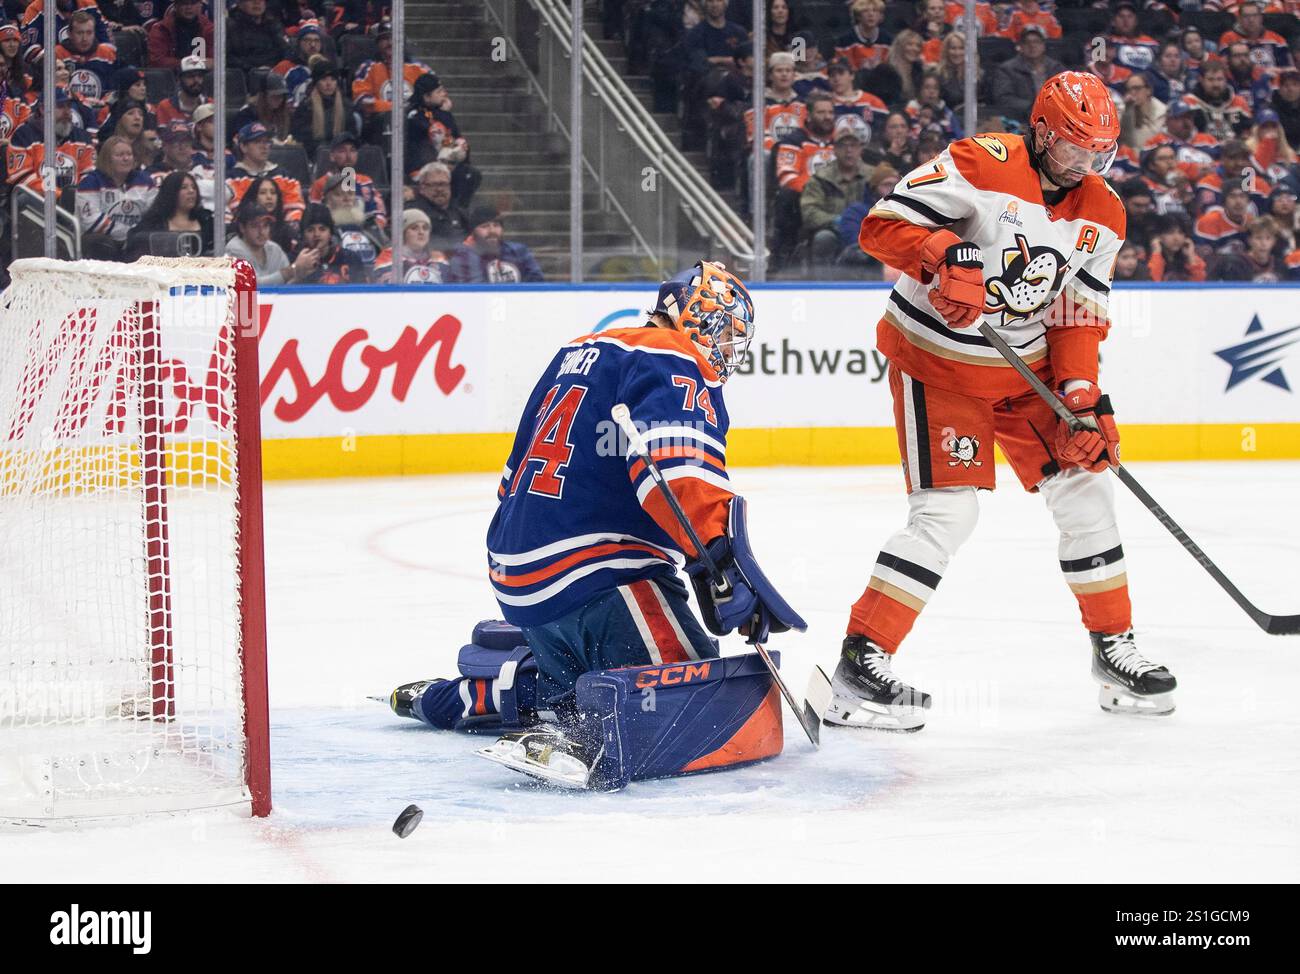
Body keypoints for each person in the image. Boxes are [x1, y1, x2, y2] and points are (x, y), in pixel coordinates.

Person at [834, 71, 1177, 732]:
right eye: (1077, 148)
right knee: (947, 514)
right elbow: (881, 228)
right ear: (1043, 131)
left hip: (1027, 372)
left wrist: (1082, 398)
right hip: (941, 363)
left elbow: (1078, 314)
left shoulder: (1104, 212)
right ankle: (861, 662)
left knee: (1087, 489)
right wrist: (942, 253)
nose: (1088, 165)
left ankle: (1114, 648)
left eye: (1101, 153)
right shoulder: (979, 162)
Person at [384, 261, 804, 790]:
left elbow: (512, 474)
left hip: (520, 578)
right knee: (700, 700)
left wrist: (704, 559)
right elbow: (675, 474)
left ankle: (489, 694)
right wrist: (721, 558)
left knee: (592, 683)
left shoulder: (575, 352)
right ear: (689, 315)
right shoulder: (673, 354)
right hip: (601, 576)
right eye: (721, 329)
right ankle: (584, 734)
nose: (724, 348)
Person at [802, 114, 872, 278]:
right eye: (843, 145)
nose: (849, 151)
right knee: (823, 238)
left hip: (868, 230)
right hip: (832, 230)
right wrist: (837, 221)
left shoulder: (874, 176)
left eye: (854, 145)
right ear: (834, 149)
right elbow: (809, 212)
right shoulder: (821, 178)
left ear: (861, 149)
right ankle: (822, 286)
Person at [77, 133, 157, 259]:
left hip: (135, 239)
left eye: (129, 154)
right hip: (104, 241)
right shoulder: (90, 182)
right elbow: (90, 221)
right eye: (120, 155)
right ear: (107, 159)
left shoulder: (145, 180)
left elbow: (154, 214)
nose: (126, 158)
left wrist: (137, 234)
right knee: (99, 243)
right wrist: (128, 233)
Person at [124, 169, 213, 259]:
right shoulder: (153, 222)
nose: (191, 191)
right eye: (184, 187)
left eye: (194, 187)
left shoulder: (206, 221)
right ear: (171, 192)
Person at [224, 199, 317, 284]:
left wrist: (300, 274)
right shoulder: (234, 249)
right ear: (242, 228)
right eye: (255, 226)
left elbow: (287, 285)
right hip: (244, 301)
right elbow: (253, 285)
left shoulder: (274, 249)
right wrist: (293, 269)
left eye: (265, 225)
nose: (261, 232)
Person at [448, 205, 544, 283]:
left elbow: (537, 282)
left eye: (496, 225)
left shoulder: (519, 251)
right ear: (473, 232)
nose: (492, 231)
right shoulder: (463, 257)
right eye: (484, 226)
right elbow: (474, 294)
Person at [292, 203, 368, 284]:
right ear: (303, 234)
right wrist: (297, 271)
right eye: (310, 230)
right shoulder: (294, 259)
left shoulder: (351, 258)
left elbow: (363, 293)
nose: (316, 234)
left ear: (330, 233)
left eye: (322, 229)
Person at [373, 208, 450, 283]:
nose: (421, 232)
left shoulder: (438, 258)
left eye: (425, 228)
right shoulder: (389, 257)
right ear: (403, 233)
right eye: (414, 228)